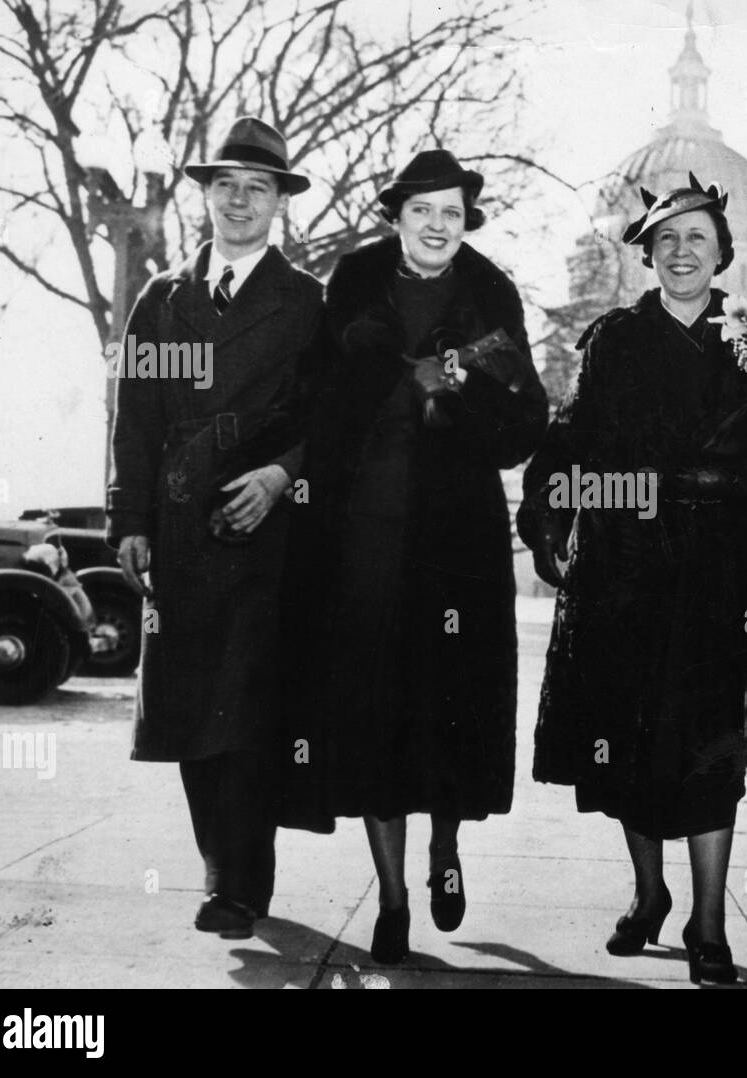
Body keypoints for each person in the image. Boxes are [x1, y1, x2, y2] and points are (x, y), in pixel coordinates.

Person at [518, 175, 747, 985]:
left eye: (697, 238)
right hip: (623, 570)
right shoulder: (615, 341)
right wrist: (550, 519)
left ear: (723, 254)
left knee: (710, 750)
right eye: (667, 239)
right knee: (630, 745)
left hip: (713, 573)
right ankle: (649, 895)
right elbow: (572, 438)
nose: (682, 252)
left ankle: (708, 924)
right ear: (647, 255)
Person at [280, 149, 548, 965]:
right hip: (365, 535)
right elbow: (315, 402)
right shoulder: (353, 286)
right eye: (422, 211)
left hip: (457, 543)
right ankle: (393, 897)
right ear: (396, 217)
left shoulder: (491, 296)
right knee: (374, 715)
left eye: (451, 213)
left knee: (451, 706)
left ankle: (446, 847)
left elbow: (525, 423)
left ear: (467, 222)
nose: (437, 225)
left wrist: (462, 385)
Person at [106, 116, 324, 940]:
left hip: (267, 531)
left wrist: (281, 475)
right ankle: (219, 867)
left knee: (249, 706)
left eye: (256, 188)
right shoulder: (162, 299)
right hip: (180, 528)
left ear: (279, 203)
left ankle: (237, 882)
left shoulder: (308, 303)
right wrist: (130, 518)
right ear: (205, 196)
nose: (239, 200)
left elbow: (331, 416)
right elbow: (135, 418)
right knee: (190, 705)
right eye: (225, 185)